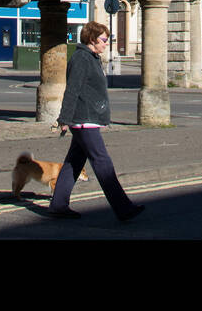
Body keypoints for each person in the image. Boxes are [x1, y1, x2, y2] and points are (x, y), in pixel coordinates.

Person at [48, 21, 144, 222]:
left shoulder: (91, 57)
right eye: (103, 40)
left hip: (88, 118)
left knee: (73, 162)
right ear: (92, 40)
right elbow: (72, 89)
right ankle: (123, 208)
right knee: (102, 162)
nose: (106, 44)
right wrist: (64, 118)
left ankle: (58, 205)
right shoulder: (82, 58)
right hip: (84, 119)